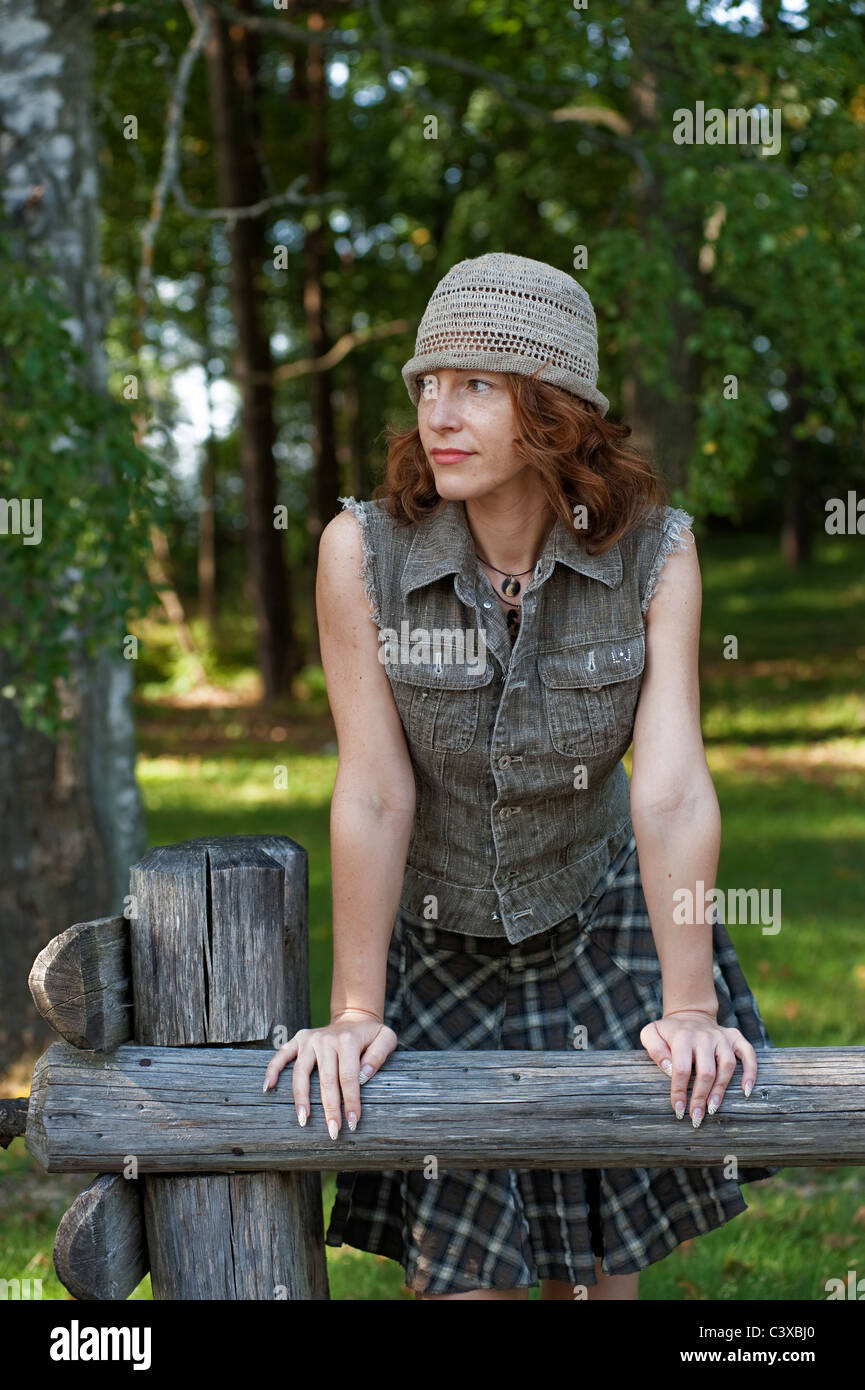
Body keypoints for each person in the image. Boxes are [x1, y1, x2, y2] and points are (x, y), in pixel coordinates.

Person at [262, 252, 778, 1301]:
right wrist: (357, 1009)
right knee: (464, 1288)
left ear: (554, 410)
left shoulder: (655, 553)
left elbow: (670, 784)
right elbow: (372, 790)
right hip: (439, 948)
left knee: (595, 1285)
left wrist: (689, 1005)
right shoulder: (359, 554)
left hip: (598, 930)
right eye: (426, 384)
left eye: (476, 385)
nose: (438, 413)